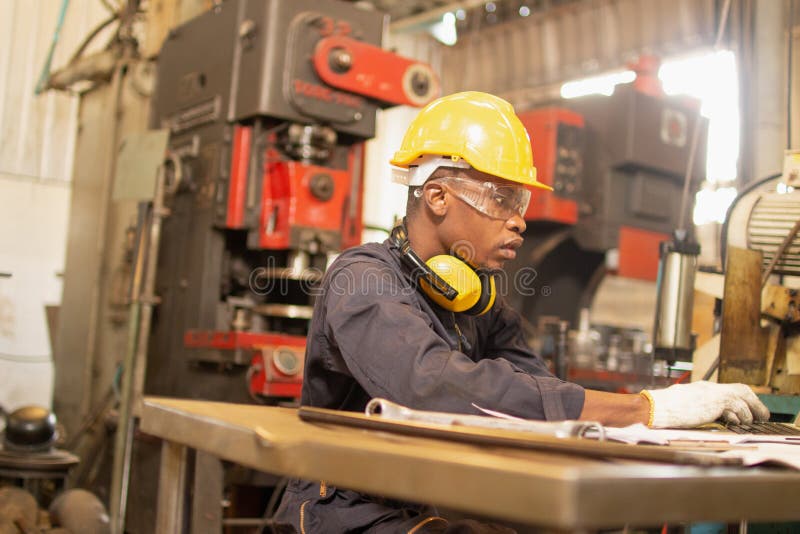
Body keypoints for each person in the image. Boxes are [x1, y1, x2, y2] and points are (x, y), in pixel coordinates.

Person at [273, 91, 770, 533]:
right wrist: (648, 408)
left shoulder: (476, 300)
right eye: (502, 198)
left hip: (428, 497)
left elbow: (539, 401)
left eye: (522, 200)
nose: (520, 221)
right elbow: (430, 385)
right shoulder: (363, 279)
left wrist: (643, 433)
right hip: (341, 506)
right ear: (438, 196)